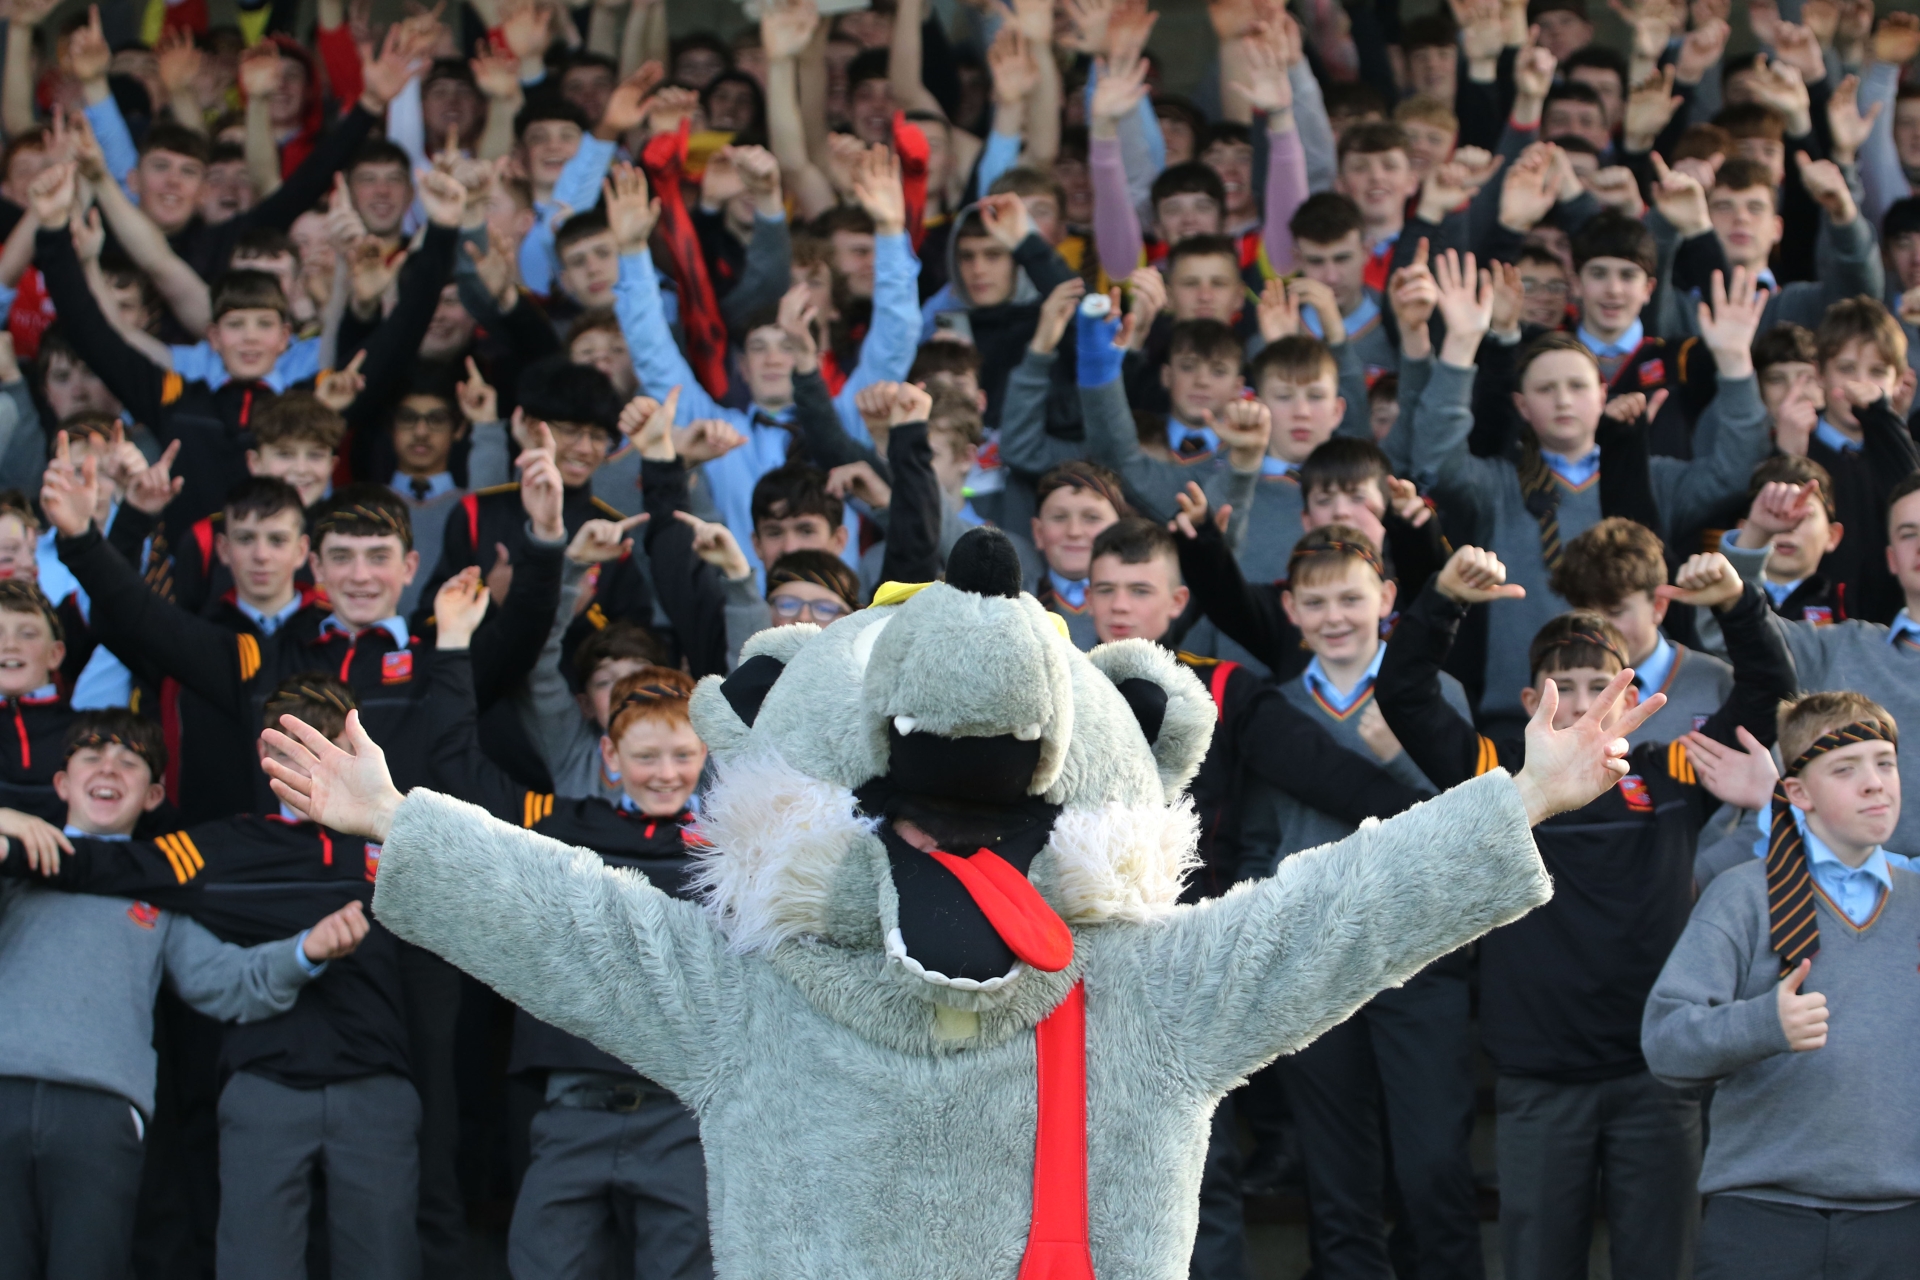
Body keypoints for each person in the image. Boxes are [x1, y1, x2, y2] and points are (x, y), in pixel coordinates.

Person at [1377, 542, 1795, 1280]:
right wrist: (1442, 597)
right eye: (1560, 686)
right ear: (1530, 697)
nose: (1577, 703)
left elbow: (1767, 687)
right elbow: (1406, 694)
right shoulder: (1494, 775)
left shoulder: (1671, 771)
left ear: (1627, 698)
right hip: (1539, 1077)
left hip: (1658, 1075)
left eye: (1598, 684)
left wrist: (1736, 603)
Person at [0, 708, 365, 1280]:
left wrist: (304, 951)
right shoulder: (13, 865)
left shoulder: (164, 890)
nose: (109, 770)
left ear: (152, 796)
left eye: (130, 762)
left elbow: (225, 982)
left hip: (103, 1114)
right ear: (60, 784)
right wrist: (6, 824)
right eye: (92, 758)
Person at [424, 570, 715, 1280]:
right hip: (568, 1111)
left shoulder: (734, 851)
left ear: (707, 756)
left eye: (682, 754)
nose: (665, 772)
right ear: (610, 760)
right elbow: (458, 777)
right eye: (645, 756)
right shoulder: (567, 829)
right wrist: (454, 645)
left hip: (686, 1117)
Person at [1644, 693, 1916, 1279]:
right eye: (1846, 769)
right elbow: (1665, 1039)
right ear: (1797, 793)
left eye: (1884, 763)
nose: (1874, 783)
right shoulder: (1744, 897)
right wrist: (1763, 1024)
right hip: (1762, 1219)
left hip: (1901, 1220)